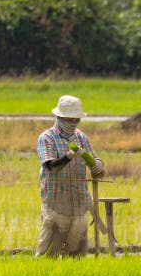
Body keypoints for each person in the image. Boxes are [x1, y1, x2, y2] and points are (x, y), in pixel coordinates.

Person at [36, 95, 105, 257]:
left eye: (77, 120)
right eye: (70, 119)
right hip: (56, 205)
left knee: (76, 258)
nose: (74, 123)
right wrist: (68, 156)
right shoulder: (47, 138)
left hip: (80, 205)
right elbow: (51, 168)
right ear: (59, 117)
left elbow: (96, 162)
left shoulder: (81, 137)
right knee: (48, 256)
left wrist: (97, 165)